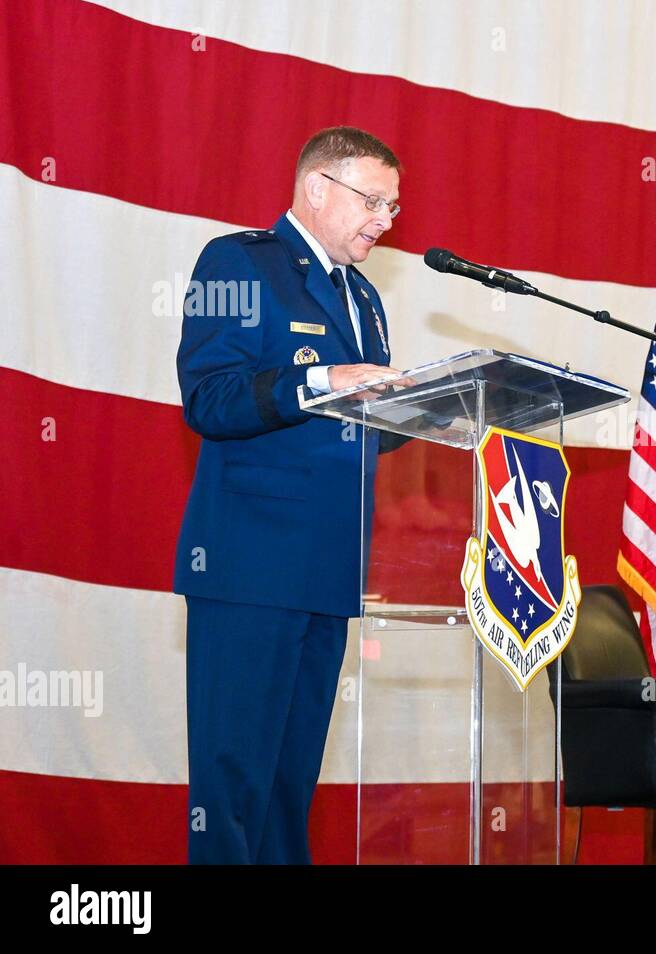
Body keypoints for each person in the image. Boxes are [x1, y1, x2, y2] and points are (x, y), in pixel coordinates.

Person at [173, 126, 403, 863]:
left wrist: (430, 406)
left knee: (286, 789)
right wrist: (322, 381)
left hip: (328, 572)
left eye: (393, 208)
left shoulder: (364, 298)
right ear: (316, 188)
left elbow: (368, 429)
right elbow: (210, 399)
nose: (384, 220)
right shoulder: (237, 262)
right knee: (233, 782)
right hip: (247, 568)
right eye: (373, 200)